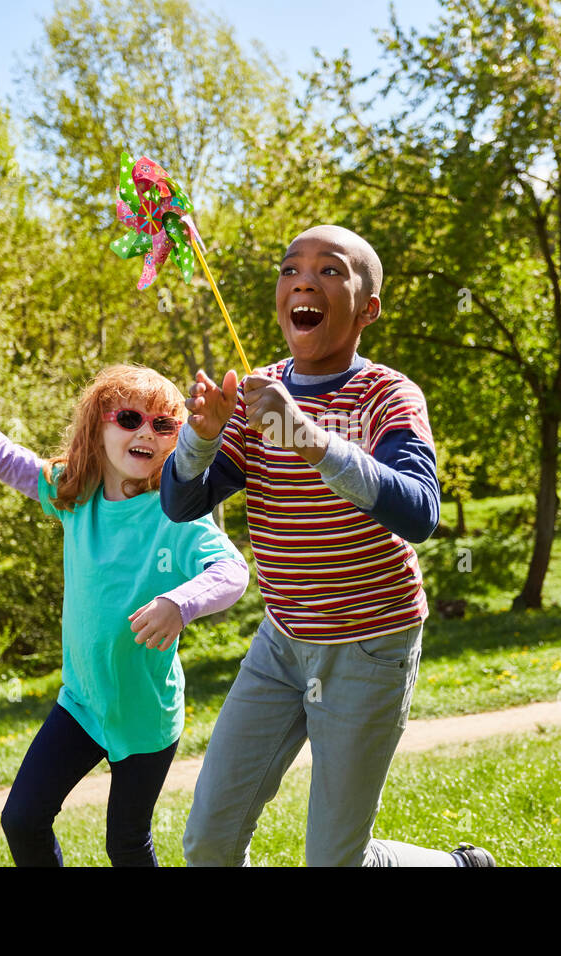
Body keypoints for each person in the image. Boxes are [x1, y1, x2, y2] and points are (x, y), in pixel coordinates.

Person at [161, 224, 494, 867]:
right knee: (209, 843)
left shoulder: (386, 395)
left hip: (370, 644)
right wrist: (200, 438)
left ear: (368, 308)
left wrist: (309, 436)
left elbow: (420, 511)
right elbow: (183, 504)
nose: (305, 280)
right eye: (290, 270)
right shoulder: (256, 394)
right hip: (282, 641)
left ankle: (456, 865)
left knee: (335, 861)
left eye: (331, 270)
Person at [0, 349, 248, 866]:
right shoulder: (74, 494)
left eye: (163, 423)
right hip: (80, 704)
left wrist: (180, 602)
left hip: (145, 714)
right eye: (129, 418)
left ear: (178, 439)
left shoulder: (178, 514)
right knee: (22, 819)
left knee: (126, 845)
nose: (144, 432)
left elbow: (233, 571)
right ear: (97, 428)